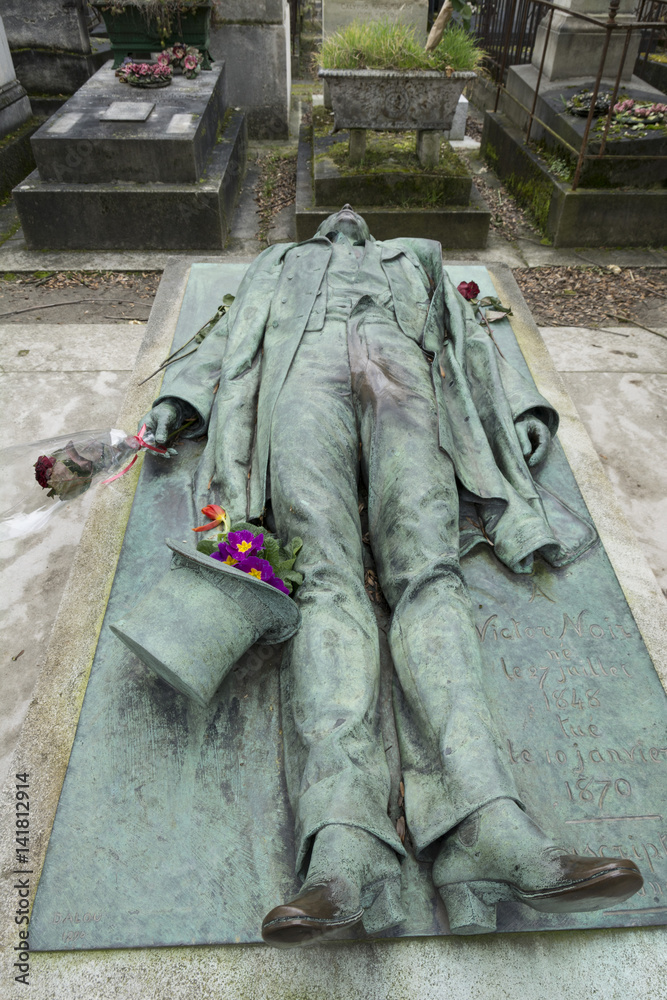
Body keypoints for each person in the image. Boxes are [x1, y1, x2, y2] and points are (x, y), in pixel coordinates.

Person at [143, 207, 642, 946]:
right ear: (317, 229)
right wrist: (179, 397)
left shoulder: (415, 256)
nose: (345, 214)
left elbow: (468, 337)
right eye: (331, 214)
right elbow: (226, 338)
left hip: (403, 374)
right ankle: (344, 840)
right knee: (323, 583)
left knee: (430, 577)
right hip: (298, 384)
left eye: (356, 213)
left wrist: (516, 406)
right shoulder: (276, 263)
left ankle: (485, 822)